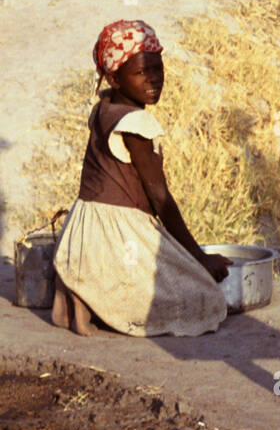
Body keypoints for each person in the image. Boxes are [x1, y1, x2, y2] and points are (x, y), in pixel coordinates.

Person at [52, 20, 231, 337]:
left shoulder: (104, 107)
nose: (153, 80)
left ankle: (84, 288)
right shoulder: (135, 123)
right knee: (205, 300)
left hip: (84, 233)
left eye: (157, 69)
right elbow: (160, 197)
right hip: (120, 235)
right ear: (114, 77)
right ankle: (99, 299)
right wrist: (198, 256)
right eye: (140, 73)